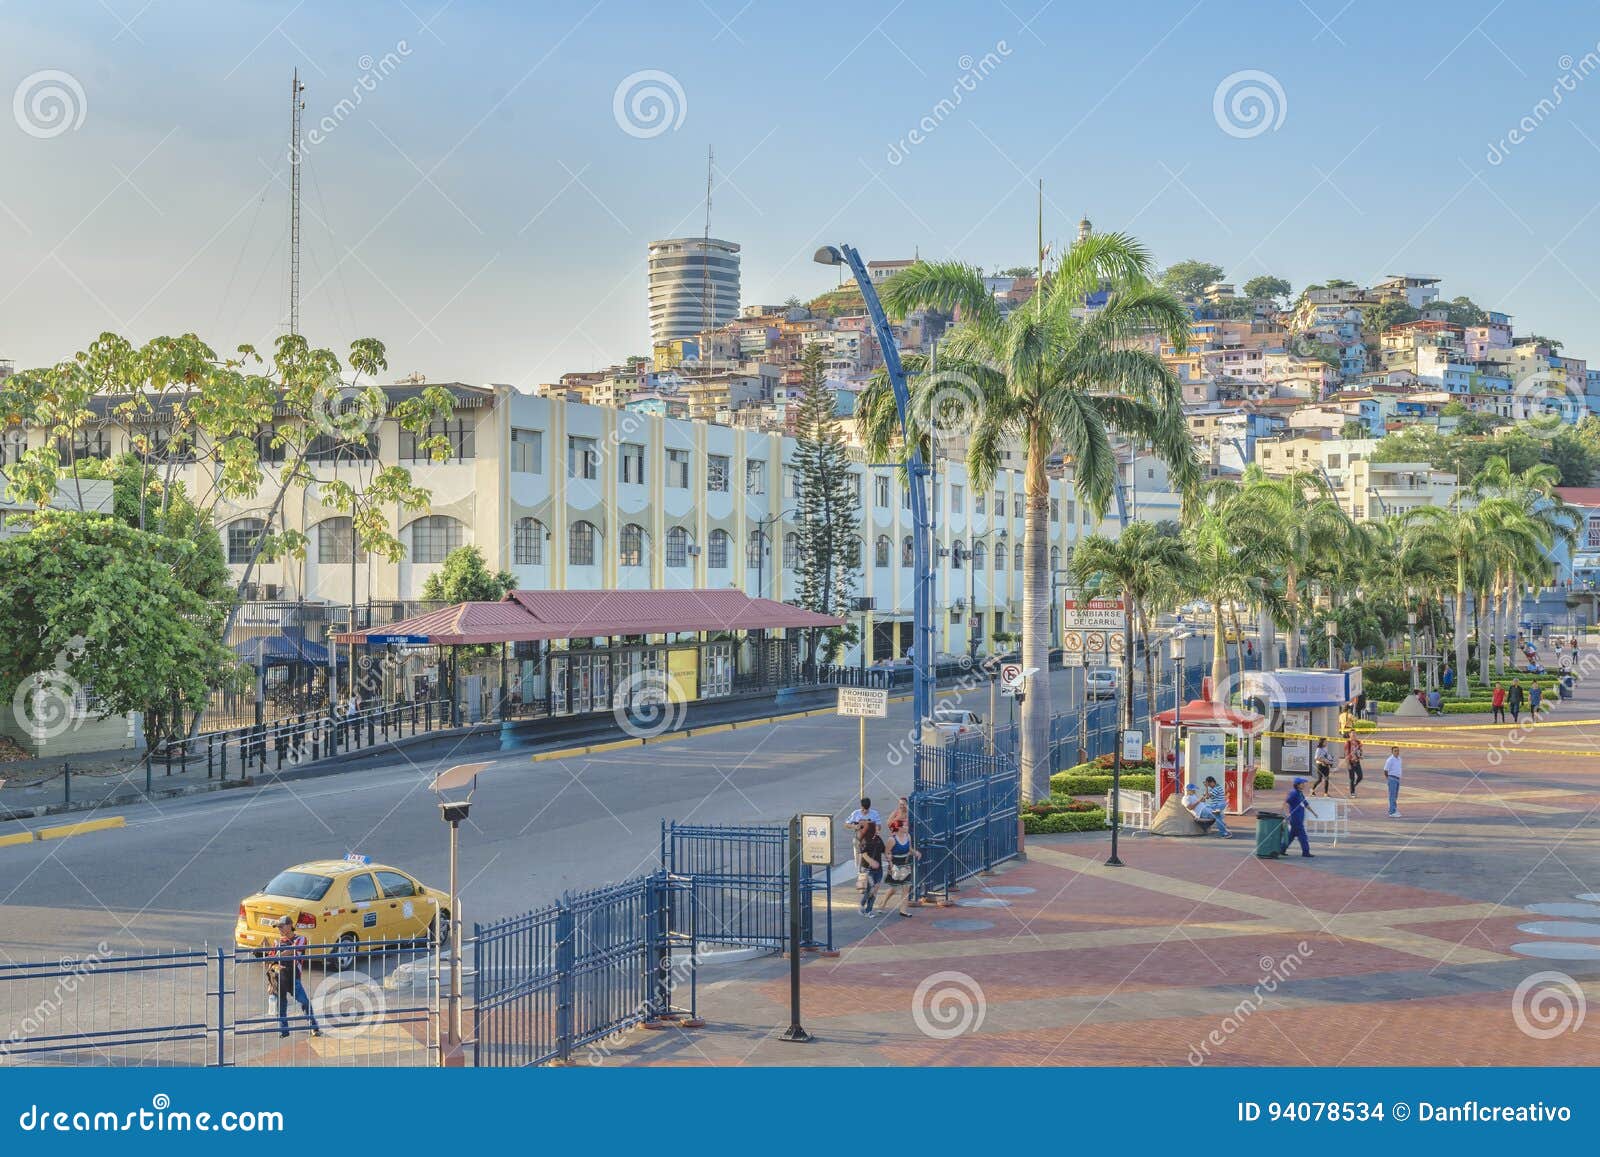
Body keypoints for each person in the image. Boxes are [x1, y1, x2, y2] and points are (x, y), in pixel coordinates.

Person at [266, 914, 322, 1038]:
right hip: (280, 978)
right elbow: (270, 961)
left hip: (294, 978)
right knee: (281, 1004)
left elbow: (294, 949)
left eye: (281, 926)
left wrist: (277, 956)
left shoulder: (300, 939)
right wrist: (271, 981)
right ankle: (284, 1031)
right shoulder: (276, 942)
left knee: (305, 1002)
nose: (279, 929)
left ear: (290, 926)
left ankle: (314, 1027)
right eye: (278, 927)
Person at [876, 820, 921, 918]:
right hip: (895, 865)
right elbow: (887, 853)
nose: (907, 827)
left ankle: (903, 910)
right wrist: (891, 864)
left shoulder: (908, 836)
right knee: (894, 889)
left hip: (905, 865)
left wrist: (916, 853)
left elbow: (909, 849)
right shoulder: (892, 839)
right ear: (899, 828)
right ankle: (882, 903)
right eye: (905, 826)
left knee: (906, 887)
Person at [846, 797, 881, 892]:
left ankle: (868, 882)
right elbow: (846, 824)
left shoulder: (874, 814)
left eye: (867, 809)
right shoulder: (856, 813)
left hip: (870, 841)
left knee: (868, 862)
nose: (865, 811)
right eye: (863, 809)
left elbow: (879, 826)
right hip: (859, 840)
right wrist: (855, 826)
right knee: (860, 863)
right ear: (861, 806)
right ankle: (861, 885)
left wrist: (876, 829)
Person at [857, 821, 886, 917]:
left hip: (878, 869)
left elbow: (884, 850)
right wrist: (872, 862)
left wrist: (889, 857)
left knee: (875, 890)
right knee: (871, 889)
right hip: (867, 869)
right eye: (876, 829)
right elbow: (864, 854)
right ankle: (862, 904)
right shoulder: (864, 840)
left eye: (879, 830)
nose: (878, 831)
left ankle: (868, 910)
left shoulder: (878, 839)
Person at [1283, 776, 1312, 858]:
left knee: (1291, 836)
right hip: (1295, 818)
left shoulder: (1300, 793)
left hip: (1299, 818)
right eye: (1302, 783)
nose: (1304, 785)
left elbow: (1306, 804)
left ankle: (1281, 849)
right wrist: (1286, 814)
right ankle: (1306, 852)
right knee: (1303, 836)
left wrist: (1314, 813)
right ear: (1297, 785)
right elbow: (1286, 802)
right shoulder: (1294, 793)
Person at [1384, 746, 1403, 817]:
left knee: (1395, 796)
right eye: (1395, 751)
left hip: (1397, 779)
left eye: (1398, 751)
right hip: (1392, 778)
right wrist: (1389, 778)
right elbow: (1385, 770)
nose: (1397, 752)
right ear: (1392, 752)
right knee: (1392, 796)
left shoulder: (1399, 759)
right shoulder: (1390, 760)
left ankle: (1394, 809)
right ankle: (1392, 812)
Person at [1344, 730, 1364, 796]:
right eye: (1352, 734)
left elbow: (1361, 750)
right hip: (1350, 762)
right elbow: (1346, 754)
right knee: (1352, 778)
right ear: (1349, 734)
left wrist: (1361, 755)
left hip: (1357, 762)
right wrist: (1348, 764)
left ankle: (1353, 785)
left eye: (1355, 734)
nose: (1354, 735)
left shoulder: (1358, 742)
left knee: (1360, 776)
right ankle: (1352, 792)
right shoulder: (1348, 742)